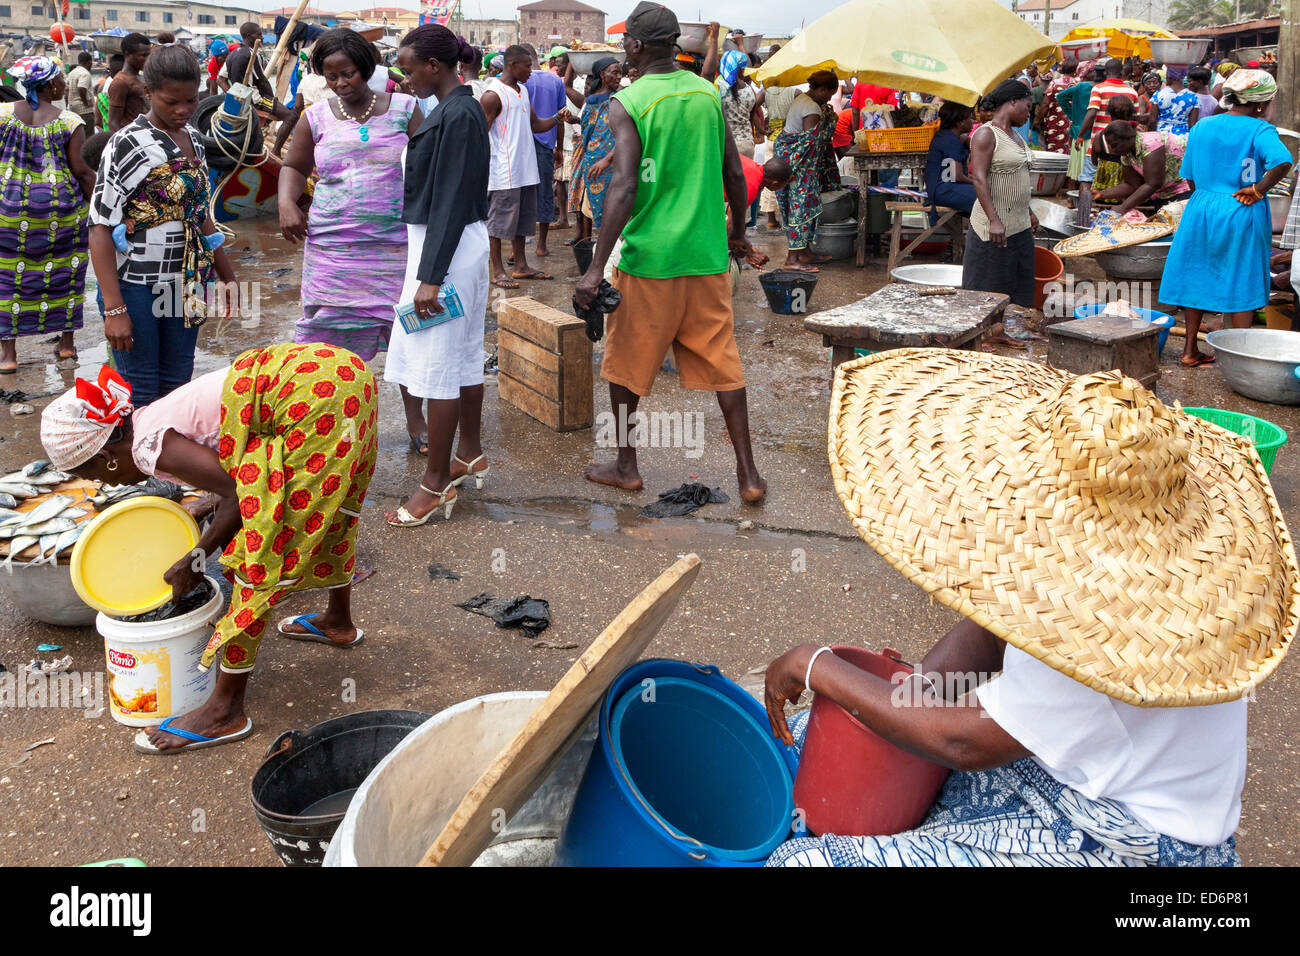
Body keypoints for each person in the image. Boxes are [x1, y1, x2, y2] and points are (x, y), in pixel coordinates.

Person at [762, 348, 1293, 866]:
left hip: (1136, 839)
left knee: (804, 860)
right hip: (1080, 774)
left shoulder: (1104, 631)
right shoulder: (1120, 580)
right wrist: (916, 692)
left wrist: (818, 666)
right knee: (835, 737)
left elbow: (961, 742)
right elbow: (993, 636)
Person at [40, 347, 378, 754]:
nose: (104, 486)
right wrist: (209, 502)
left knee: (261, 553)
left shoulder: (148, 448)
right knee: (333, 510)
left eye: (92, 473)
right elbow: (234, 465)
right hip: (342, 376)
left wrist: (197, 559)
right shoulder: (148, 418)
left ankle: (224, 711)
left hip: (312, 401)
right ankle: (337, 621)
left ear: (108, 456)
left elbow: (243, 494)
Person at [575, 1, 766, 506]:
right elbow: (734, 172)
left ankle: (626, 465)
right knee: (726, 367)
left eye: (624, 43)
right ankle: (749, 475)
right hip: (705, 258)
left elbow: (624, 186)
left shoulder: (629, 101)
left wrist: (596, 267)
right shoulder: (707, 94)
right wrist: (738, 234)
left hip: (650, 259)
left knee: (624, 368)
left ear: (635, 46)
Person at [89, 45, 238, 407]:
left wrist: (227, 275)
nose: (184, 110)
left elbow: (199, 215)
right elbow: (99, 226)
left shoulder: (196, 144)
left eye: (190, 100)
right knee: (138, 390)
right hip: (135, 286)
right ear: (149, 92)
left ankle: (167, 464)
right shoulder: (126, 144)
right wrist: (114, 308)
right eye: (172, 102)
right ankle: (140, 463)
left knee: (177, 384)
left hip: (187, 282)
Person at [386, 25, 492, 527]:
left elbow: (450, 197)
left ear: (434, 66)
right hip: (446, 246)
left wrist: (431, 277)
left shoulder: (461, 113)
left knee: (439, 367)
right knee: (464, 356)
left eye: (409, 70)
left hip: (444, 252)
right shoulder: (449, 109)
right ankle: (468, 454)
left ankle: (434, 486)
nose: (405, 79)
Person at [278, 29, 421, 377]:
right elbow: (295, 166)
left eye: (348, 74)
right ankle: (331, 406)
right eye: (331, 77)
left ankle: (415, 414)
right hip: (333, 248)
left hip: (396, 246)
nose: (340, 83)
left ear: (367, 68)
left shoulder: (405, 108)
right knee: (327, 337)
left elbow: (431, 167)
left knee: (409, 330)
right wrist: (286, 202)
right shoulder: (314, 117)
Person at [1160, 69, 1292, 368]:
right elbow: (1283, 162)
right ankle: (1237, 358)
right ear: (1260, 103)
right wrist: (1258, 189)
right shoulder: (1261, 130)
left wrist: (1209, 194)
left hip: (1202, 206)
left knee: (1196, 273)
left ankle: (1190, 350)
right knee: (1242, 276)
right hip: (1241, 207)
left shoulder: (1203, 126)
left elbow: (1189, 177)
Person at [0, 56, 96, 374]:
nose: (62, 85)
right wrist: (96, 205)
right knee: (65, 277)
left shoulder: (2, 115)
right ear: (50, 84)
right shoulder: (69, 121)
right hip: (61, 213)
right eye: (59, 80)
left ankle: (8, 357)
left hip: (9, 212)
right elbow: (81, 171)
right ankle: (66, 347)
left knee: (9, 281)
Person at [480, 45, 561, 289]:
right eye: (527, 66)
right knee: (498, 223)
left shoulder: (522, 91)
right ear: (512, 65)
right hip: (504, 170)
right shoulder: (493, 95)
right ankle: (497, 271)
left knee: (523, 221)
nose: (531, 70)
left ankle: (521, 266)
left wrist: (558, 118)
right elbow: (481, 134)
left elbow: (535, 124)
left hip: (526, 168)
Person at [963, 80, 1038, 308]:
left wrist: (1029, 211)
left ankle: (1009, 333)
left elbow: (1018, 178)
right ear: (1013, 101)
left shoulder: (1016, 135)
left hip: (1020, 225)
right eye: (1027, 106)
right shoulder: (986, 134)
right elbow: (979, 177)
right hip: (993, 230)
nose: (1029, 113)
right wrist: (994, 220)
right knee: (988, 291)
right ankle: (986, 338)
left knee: (1020, 288)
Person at [773, 70, 840, 272]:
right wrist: (829, 123)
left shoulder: (803, 99)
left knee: (801, 206)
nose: (829, 98)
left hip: (788, 162)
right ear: (821, 89)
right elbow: (810, 142)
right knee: (800, 207)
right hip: (798, 166)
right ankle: (792, 260)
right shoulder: (812, 108)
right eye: (829, 93)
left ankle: (805, 252)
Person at [569, 57, 622, 240]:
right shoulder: (592, 101)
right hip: (595, 165)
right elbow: (588, 132)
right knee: (601, 212)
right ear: (602, 75)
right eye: (614, 72)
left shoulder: (622, 97)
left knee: (621, 211)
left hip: (619, 162)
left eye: (620, 73)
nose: (619, 77)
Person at [521, 43, 566, 258]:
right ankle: (541, 244)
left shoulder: (520, 81)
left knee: (521, 193)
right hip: (546, 143)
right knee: (545, 193)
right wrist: (558, 146)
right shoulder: (555, 80)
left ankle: (517, 248)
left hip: (522, 144)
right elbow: (561, 117)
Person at [1089, 121, 1189, 215]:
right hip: (1165, 193)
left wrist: (1123, 207)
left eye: (1114, 145)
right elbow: (1132, 185)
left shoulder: (1150, 144)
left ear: (1127, 139)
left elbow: (1153, 183)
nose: (1111, 150)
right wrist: (1102, 194)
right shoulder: (1126, 155)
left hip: (1185, 188)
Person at [217, 23, 295, 129]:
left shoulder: (232, 54)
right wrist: (273, 99)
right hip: (256, 99)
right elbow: (262, 82)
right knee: (290, 117)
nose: (261, 37)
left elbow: (220, 80)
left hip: (243, 99)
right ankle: (278, 146)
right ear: (249, 36)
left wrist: (236, 97)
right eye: (258, 35)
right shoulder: (252, 54)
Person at [924, 101, 976, 222]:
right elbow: (957, 176)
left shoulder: (944, 135)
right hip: (945, 190)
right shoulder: (952, 141)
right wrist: (976, 181)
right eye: (969, 118)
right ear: (960, 122)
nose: (972, 121)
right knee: (987, 197)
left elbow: (966, 140)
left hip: (937, 189)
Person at [1078, 58, 1138, 144]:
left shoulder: (1098, 89)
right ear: (1122, 73)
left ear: (1105, 72)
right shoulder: (1132, 92)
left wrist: (1080, 135)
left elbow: (1091, 114)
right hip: (1123, 143)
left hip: (1100, 142)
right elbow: (1135, 118)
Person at [107, 33, 151, 132]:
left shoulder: (141, 77)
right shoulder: (120, 82)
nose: (147, 59)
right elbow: (113, 122)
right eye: (143, 55)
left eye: (148, 55)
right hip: (133, 137)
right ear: (127, 55)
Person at [1039, 59, 1079, 155]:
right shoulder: (1078, 85)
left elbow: (1045, 103)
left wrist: (1038, 120)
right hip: (1072, 122)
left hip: (1054, 122)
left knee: (1054, 147)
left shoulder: (1054, 83)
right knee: (1070, 147)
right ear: (1075, 70)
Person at [1150, 68, 1198, 136]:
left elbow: (1153, 120)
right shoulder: (1193, 96)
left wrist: (1149, 135)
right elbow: (1193, 124)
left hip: (1162, 136)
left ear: (1169, 77)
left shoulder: (1158, 94)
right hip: (1183, 137)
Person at [67, 51, 96, 131]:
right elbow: (81, 88)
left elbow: (66, 90)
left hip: (73, 109)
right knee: (88, 136)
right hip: (84, 110)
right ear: (89, 62)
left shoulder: (72, 73)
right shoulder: (85, 73)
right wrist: (86, 102)